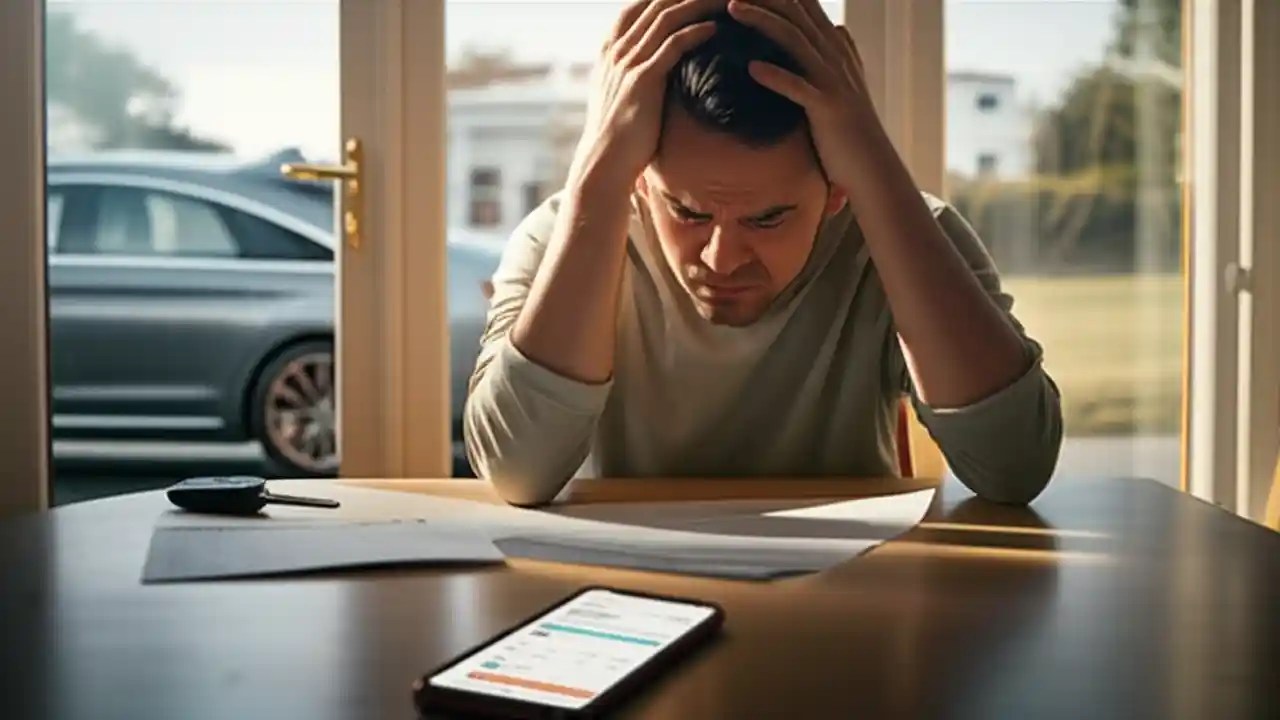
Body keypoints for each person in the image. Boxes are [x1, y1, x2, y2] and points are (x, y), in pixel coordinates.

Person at [464, 0, 1063, 506]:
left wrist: (878, 170)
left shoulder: (907, 234)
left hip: (848, 604)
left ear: (838, 190)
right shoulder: (564, 235)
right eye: (690, 213)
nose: (723, 260)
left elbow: (1013, 468)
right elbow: (518, 471)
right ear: (642, 180)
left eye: (769, 217)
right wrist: (597, 177)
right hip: (620, 604)